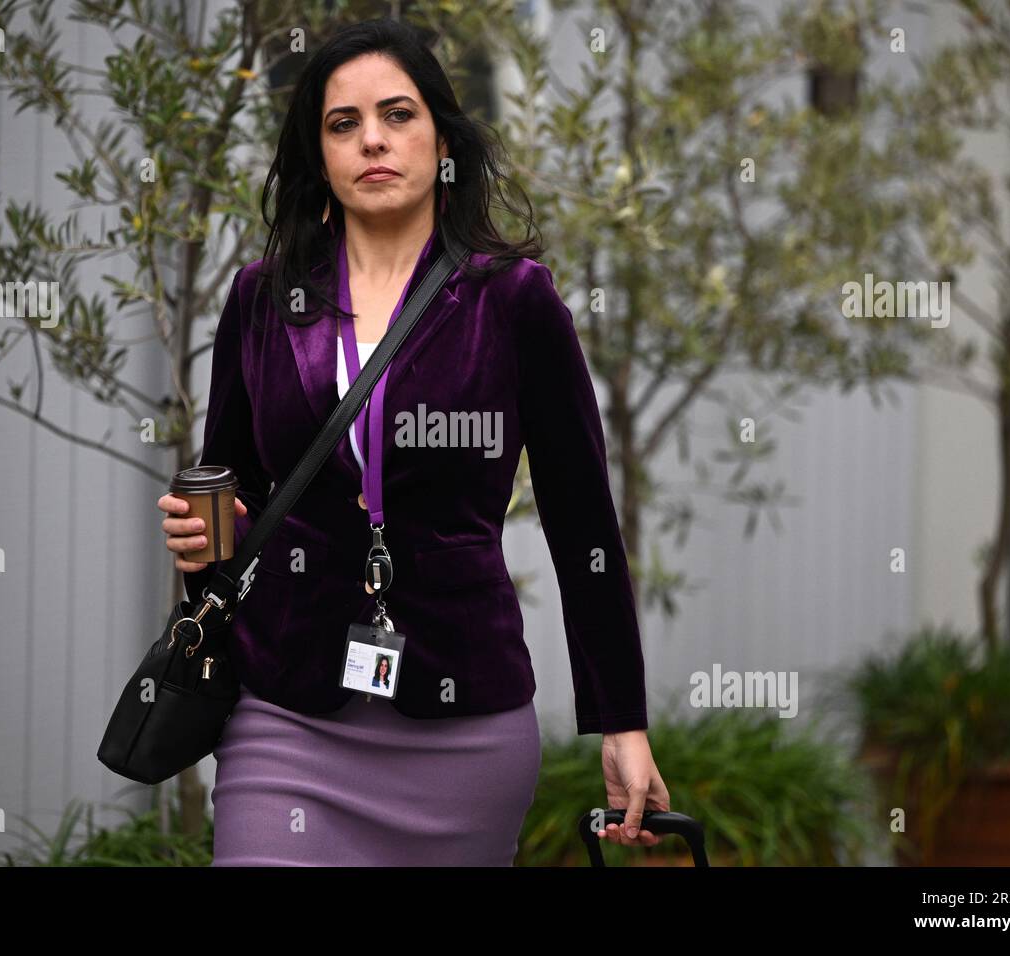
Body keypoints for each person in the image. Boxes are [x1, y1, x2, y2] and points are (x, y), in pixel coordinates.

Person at [158, 17, 669, 866]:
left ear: (441, 138)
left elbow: (584, 527)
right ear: (317, 153)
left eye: (397, 115)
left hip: (463, 726)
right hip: (288, 715)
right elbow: (233, 502)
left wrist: (622, 719)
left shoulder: (513, 302)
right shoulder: (261, 297)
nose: (373, 141)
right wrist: (200, 540)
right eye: (343, 123)